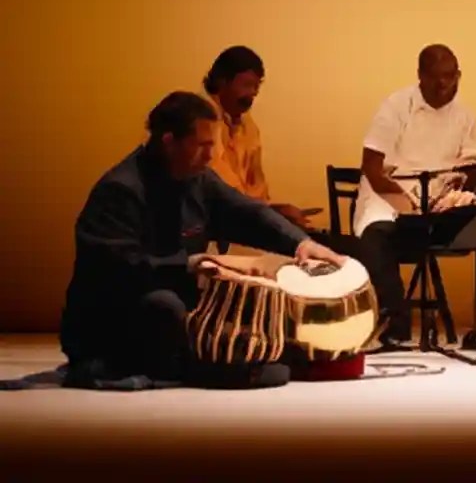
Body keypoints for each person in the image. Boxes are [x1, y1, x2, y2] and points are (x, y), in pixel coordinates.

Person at [59, 92, 344, 389]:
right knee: (164, 306)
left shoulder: (198, 180)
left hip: (179, 303)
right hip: (109, 321)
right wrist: (193, 263)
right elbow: (119, 267)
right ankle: (197, 369)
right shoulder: (121, 190)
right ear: (169, 141)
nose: (210, 155)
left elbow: (246, 212)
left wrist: (301, 244)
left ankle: (214, 362)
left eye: (213, 145)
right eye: (202, 145)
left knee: (252, 303)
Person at [349, 44, 476, 351]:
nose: (443, 84)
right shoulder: (395, 107)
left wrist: (463, 190)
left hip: (437, 211)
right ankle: (395, 323)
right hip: (393, 208)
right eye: (435, 77)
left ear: (459, 75)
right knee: (375, 236)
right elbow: (371, 167)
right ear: (420, 76)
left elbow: (471, 168)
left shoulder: (463, 114)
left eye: (450, 76)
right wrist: (406, 200)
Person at [202, 45, 314, 230]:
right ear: (222, 82)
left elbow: (256, 186)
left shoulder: (247, 124)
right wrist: (272, 213)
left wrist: (273, 212)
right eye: (247, 85)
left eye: (257, 86)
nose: (253, 93)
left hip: (241, 222)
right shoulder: (202, 120)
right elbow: (220, 188)